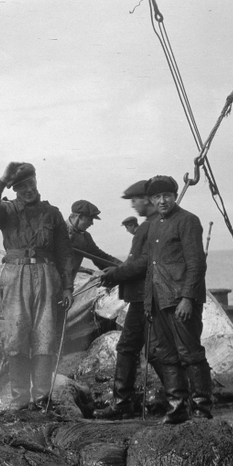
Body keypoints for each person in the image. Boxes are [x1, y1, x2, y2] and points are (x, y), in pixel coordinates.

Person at [0, 162, 74, 410]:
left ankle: (42, 399)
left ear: (36, 182)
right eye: (21, 186)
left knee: (45, 336)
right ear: (15, 188)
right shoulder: (6, 211)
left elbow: (64, 252)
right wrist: (1, 180)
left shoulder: (52, 213)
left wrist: (68, 287)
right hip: (15, 274)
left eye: (31, 183)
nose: (28, 189)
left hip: (46, 275)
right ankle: (20, 400)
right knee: (17, 336)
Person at [137, 175, 211, 424]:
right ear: (151, 199)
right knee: (166, 355)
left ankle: (201, 408)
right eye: (156, 197)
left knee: (190, 353)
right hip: (158, 302)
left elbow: (197, 264)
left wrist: (188, 298)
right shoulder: (153, 226)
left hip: (180, 301)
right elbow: (151, 267)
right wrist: (148, 303)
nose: (162, 200)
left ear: (174, 194)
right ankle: (176, 407)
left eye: (166, 195)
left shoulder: (188, 221)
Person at [96, 178, 165, 419]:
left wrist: (116, 273)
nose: (133, 205)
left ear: (147, 199)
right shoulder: (152, 224)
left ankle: (126, 403)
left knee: (147, 349)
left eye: (135, 200)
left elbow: (144, 263)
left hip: (146, 298)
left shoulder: (151, 226)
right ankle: (125, 402)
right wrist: (117, 271)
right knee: (134, 348)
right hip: (145, 298)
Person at [67, 200, 121, 275]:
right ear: (78, 216)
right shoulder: (58, 231)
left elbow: (100, 257)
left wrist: (123, 266)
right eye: (90, 219)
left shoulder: (85, 237)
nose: (92, 223)